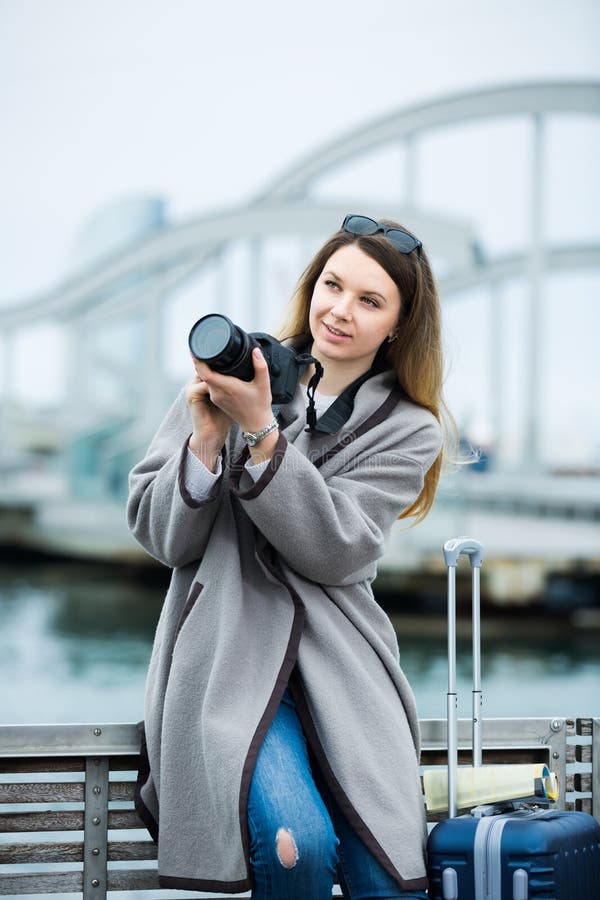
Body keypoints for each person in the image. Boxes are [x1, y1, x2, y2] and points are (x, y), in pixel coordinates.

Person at [127, 213, 453, 899]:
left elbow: (337, 549)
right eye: (332, 285)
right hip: (230, 659)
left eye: (370, 301)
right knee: (295, 845)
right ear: (312, 286)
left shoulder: (408, 428)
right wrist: (207, 442)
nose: (340, 310)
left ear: (398, 324)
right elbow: (163, 539)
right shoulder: (233, 375)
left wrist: (263, 435)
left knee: (384, 877)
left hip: (343, 667)